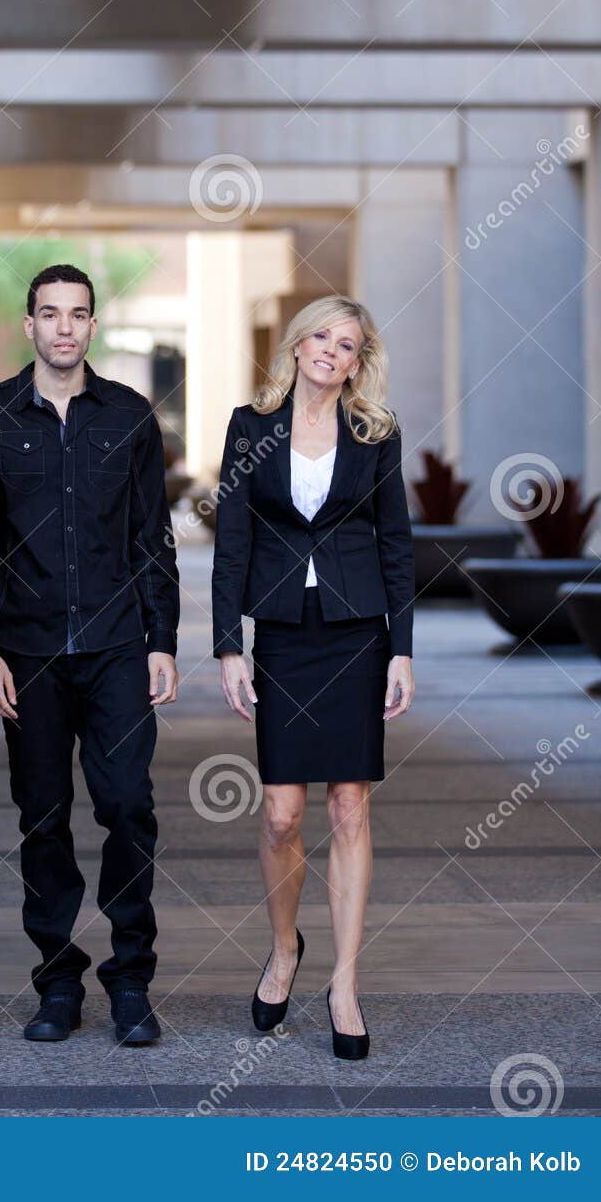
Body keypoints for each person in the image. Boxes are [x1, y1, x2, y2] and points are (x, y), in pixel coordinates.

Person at [0, 264, 180, 1046]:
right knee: (43, 816)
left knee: (127, 807)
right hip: (30, 652)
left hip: (118, 645)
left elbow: (151, 536)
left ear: (93, 326)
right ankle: (57, 983)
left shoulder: (126, 416)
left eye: (77, 314)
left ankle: (130, 981)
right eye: (49, 314)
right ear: (28, 326)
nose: (63, 327)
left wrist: (163, 640)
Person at [211, 295, 415, 1062]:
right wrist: (228, 644)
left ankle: (344, 985)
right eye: (323, 337)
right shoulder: (249, 427)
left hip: (357, 633)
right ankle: (284, 948)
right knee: (280, 814)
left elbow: (394, 542)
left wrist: (401, 649)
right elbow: (232, 536)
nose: (334, 351)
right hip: (285, 638)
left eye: (350, 344)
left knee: (350, 807)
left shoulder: (375, 433)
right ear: (296, 347)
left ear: (359, 361)